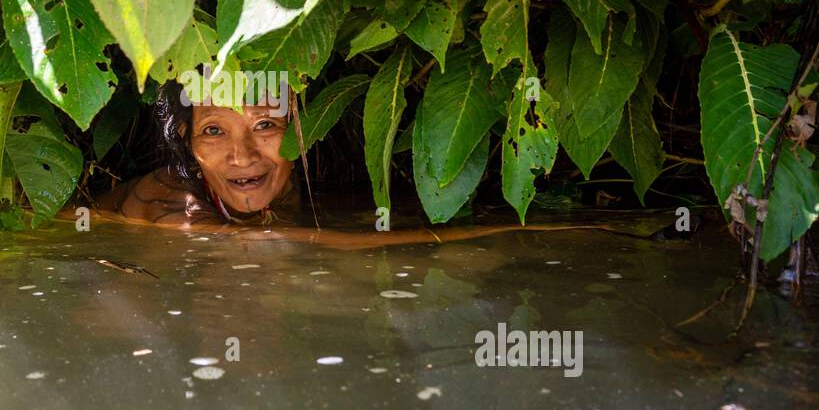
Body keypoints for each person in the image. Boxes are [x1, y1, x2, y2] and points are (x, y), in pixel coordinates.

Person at [90, 82, 613, 249]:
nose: (242, 156)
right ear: (186, 142)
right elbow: (276, 248)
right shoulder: (169, 203)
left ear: (302, 128)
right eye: (213, 131)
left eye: (265, 126)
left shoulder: (305, 187)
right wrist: (515, 231)